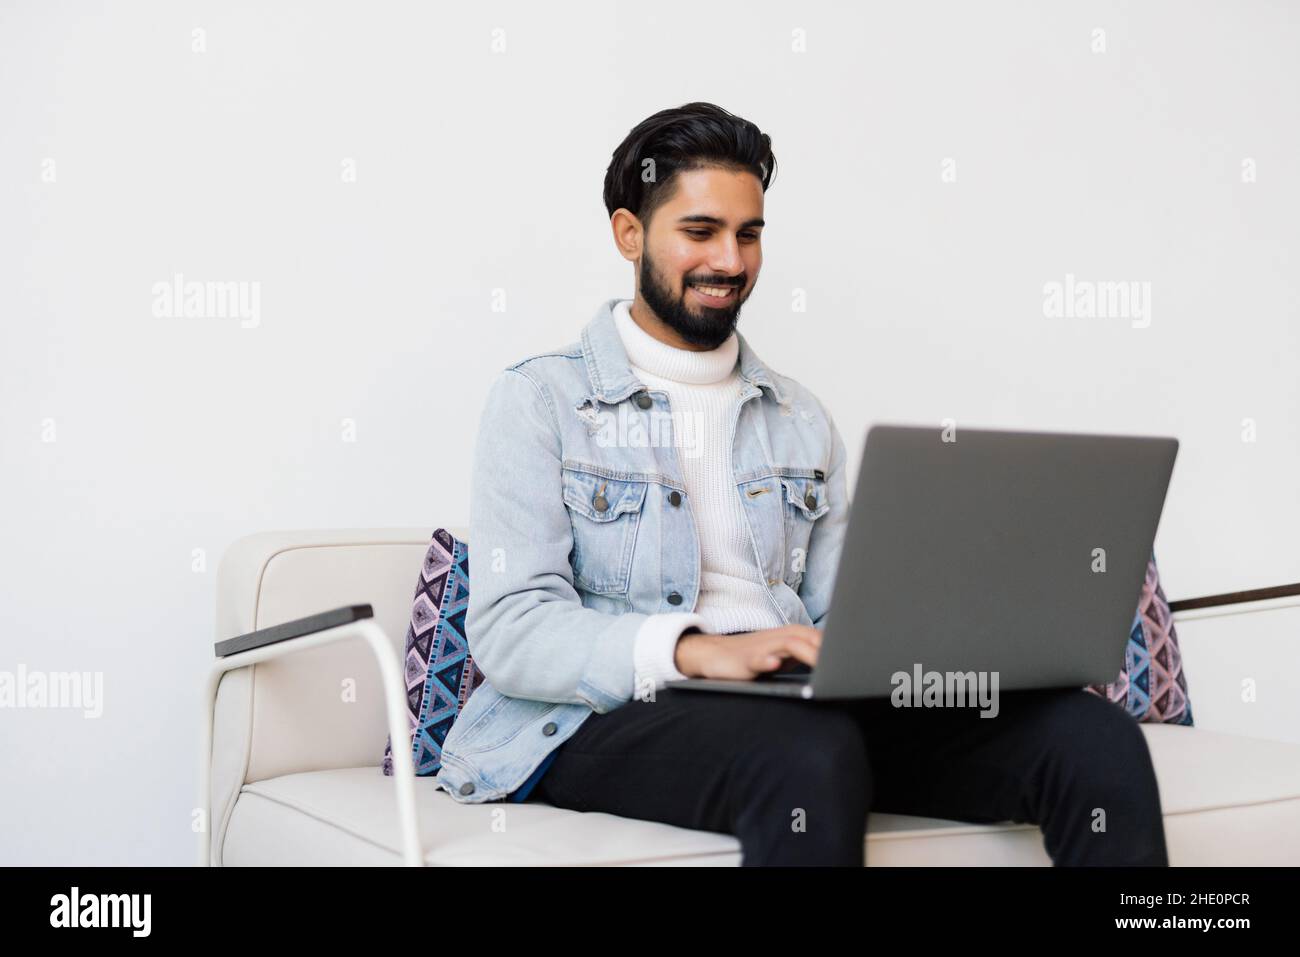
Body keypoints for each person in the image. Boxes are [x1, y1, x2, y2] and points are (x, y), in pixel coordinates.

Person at [433, 101, 1168, 867]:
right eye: (700, 231)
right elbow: (512, 627)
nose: (730, 260)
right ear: (629, 232)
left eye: (748, 234)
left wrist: (940, 642)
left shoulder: (798, 416)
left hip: (797, 708)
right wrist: (695, 650)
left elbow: (839, 613)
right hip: (609, 713)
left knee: (1089, 736)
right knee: (805, 749)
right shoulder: (540, 400)